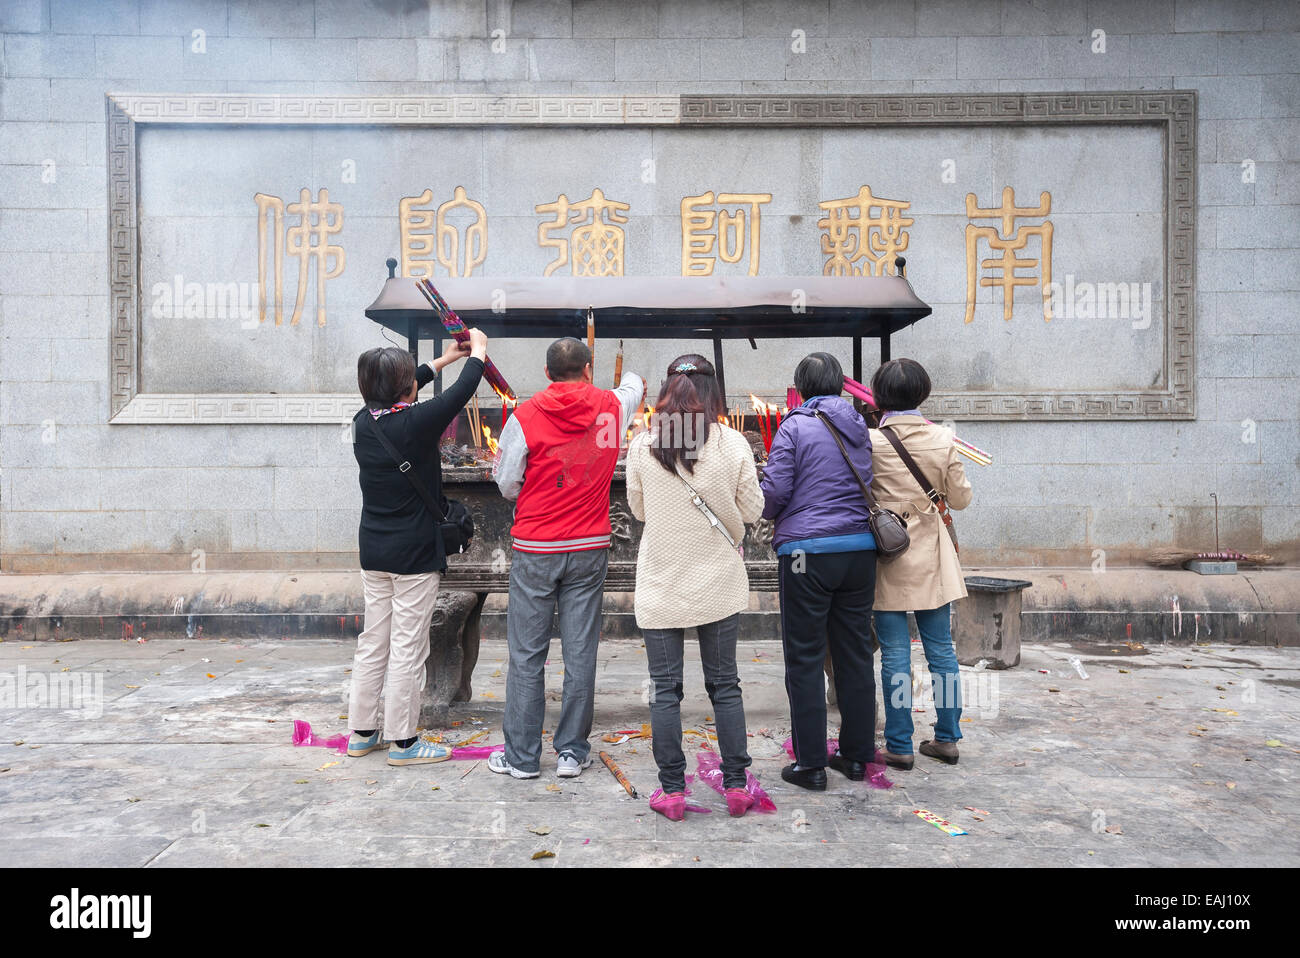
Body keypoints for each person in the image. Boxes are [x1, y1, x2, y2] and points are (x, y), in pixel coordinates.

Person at [489, 338, 644, 780]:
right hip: (590, 548)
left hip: (536, 548)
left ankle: (520, 758)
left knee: (526, 655)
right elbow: (635, 383)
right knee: (580, 652)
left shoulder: (525, 415)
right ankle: (571, 753)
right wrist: (617, 381)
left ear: (546, 372)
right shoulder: (613, 407)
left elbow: (504, 482)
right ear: (589, 369)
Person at [625, 355, 764, 820]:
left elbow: (639, 510)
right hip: (719, 582)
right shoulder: (733, 444)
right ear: (714, 393)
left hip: (662, 581)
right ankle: (738, 785)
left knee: (665, 690)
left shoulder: (644, 446)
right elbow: (752, 510)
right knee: (725, 686)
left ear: (666, 391)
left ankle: (671, 792)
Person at [346, 330, 487, 766]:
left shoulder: (362, 423)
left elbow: (409, 391)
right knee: (409, 647)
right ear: (404, 389)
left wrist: (442, 360)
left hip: (374, 550)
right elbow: (462, 392)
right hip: (413, 554)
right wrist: (477, 354)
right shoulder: (414, 423)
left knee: (374, 642)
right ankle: (405, 742)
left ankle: (362, 734)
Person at [760, 352, 878, 791]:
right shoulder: (860, 426)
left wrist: (761, 498)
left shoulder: (794, 426)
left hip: (806, 553)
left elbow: (775, 494)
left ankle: (810, 764)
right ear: (841, 385)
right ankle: (855, 756)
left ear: (801, 387)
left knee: (805, 657)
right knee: (854, 654)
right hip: (860, 552)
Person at [868, 358, 972, 769]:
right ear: (923, 394)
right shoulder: (944, 439)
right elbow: (961, 499)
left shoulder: (871, 441)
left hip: (889, 554)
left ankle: (899, 745)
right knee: (941, 652)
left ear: (878, 397)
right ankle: (947, 737)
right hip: (932, 557)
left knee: (894, 653)